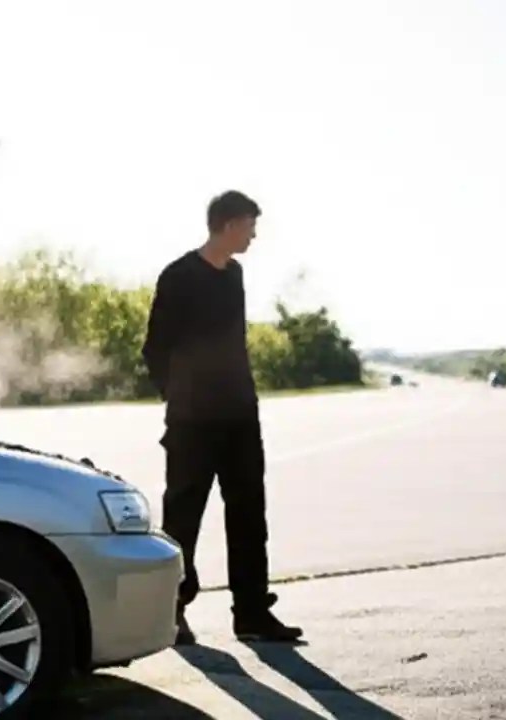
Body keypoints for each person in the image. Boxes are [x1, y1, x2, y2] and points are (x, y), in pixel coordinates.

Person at [142, 190, 303, 645]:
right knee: (184, 516)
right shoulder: (178, 277)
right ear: (230, 224)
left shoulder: (235, 275)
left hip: (239, 418)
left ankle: (251, 612)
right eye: (251, 225)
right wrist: (179, 397)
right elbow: (156, 347)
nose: (254, 234)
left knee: (250, 514)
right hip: (193, 421)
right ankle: (172, 610)